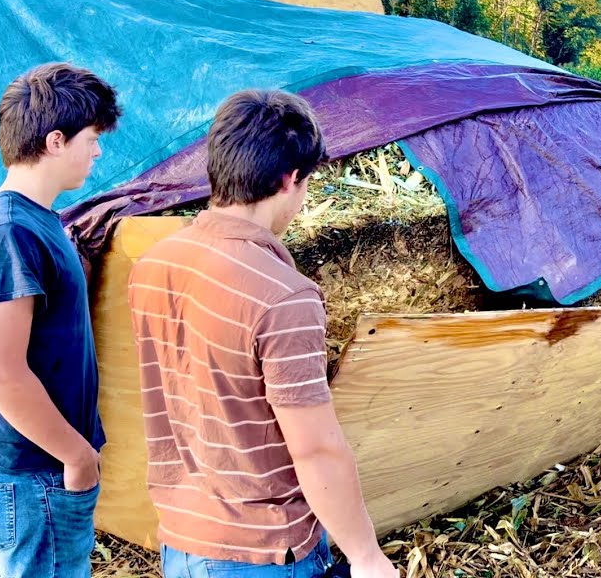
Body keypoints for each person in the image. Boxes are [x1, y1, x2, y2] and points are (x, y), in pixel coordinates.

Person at [128, 89, 399, 578]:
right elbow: (315, 449)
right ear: (290, 178)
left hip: (182, 543)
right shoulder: (284, 296)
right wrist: (365, 555)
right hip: (262, 552)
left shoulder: (154, 264)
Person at [0, 63, 122, 577]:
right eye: (92, 139)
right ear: (55, 141)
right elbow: (1, 375)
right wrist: (76, 456)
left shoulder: (33, 220)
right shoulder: (8, 233)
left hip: (39, 464)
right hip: (33, 470)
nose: (97, 152)